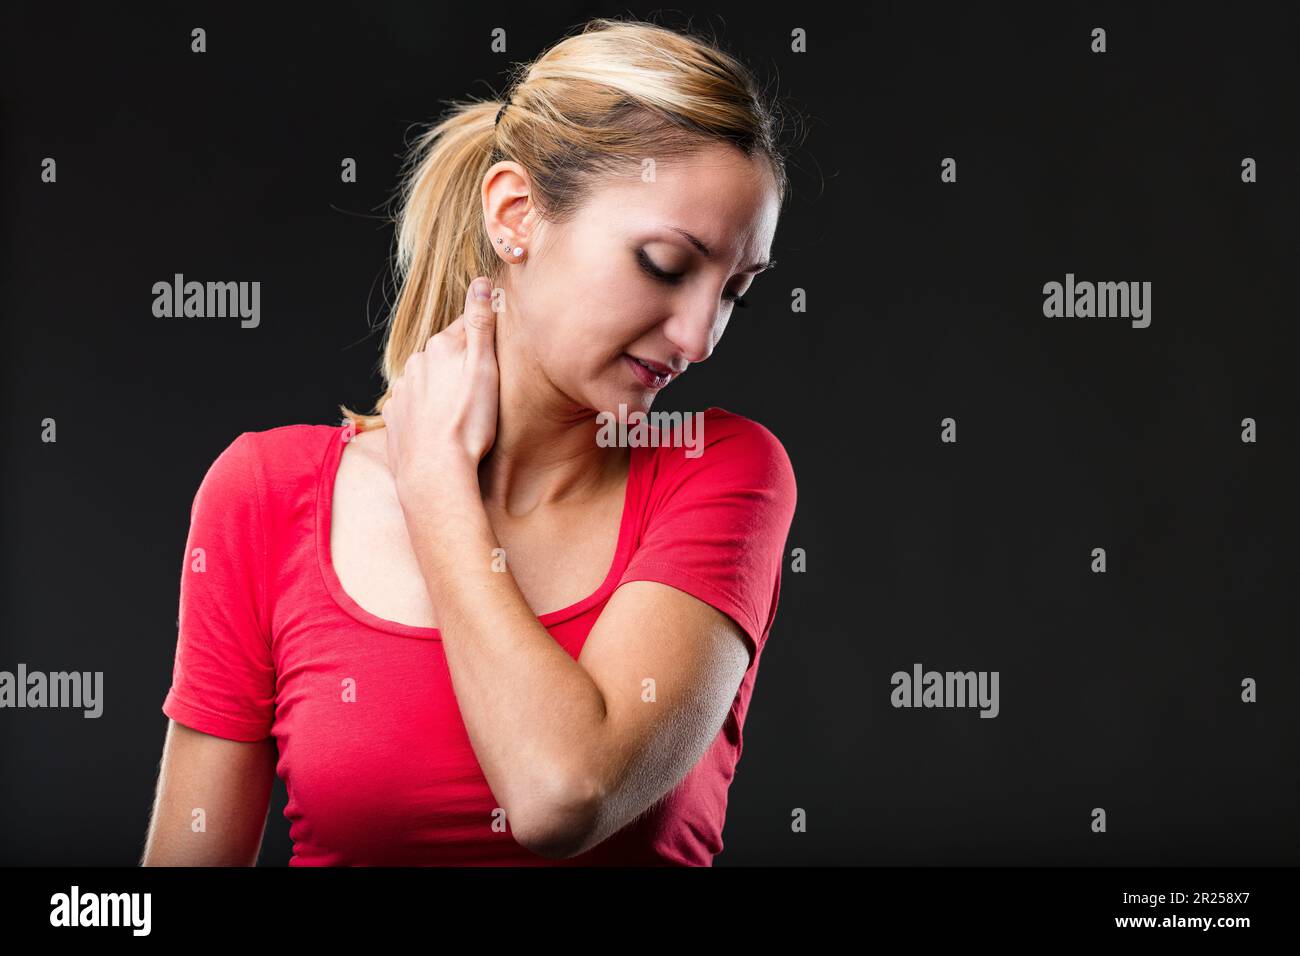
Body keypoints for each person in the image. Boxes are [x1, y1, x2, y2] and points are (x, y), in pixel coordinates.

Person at [142, 16, 798, 866]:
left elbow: (563, 793)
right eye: (668, 265)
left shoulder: (723, 471)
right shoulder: (266, 491)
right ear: (516, 213)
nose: (701, 336)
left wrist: (438, 487)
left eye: (735, 292)